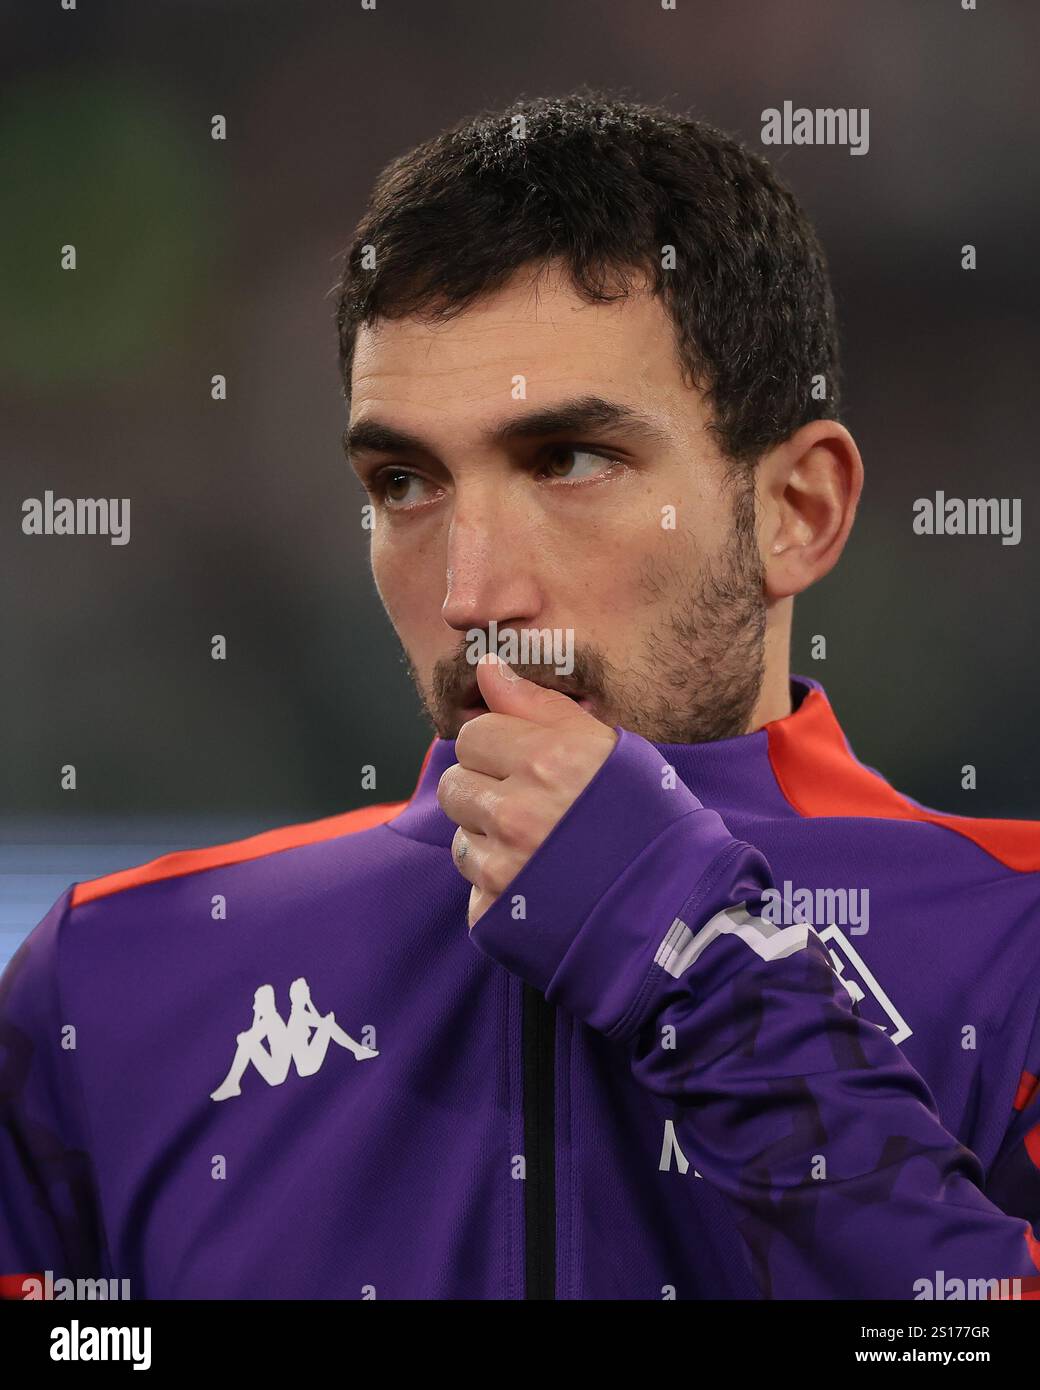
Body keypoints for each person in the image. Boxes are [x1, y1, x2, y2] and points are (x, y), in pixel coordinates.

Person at [2, 90, 1038, 1301]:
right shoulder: (118, 975)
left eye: (569, 461)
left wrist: (690, 951)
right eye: (405, 480)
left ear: (795, 511)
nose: (472, 590)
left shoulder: (1014, 945)